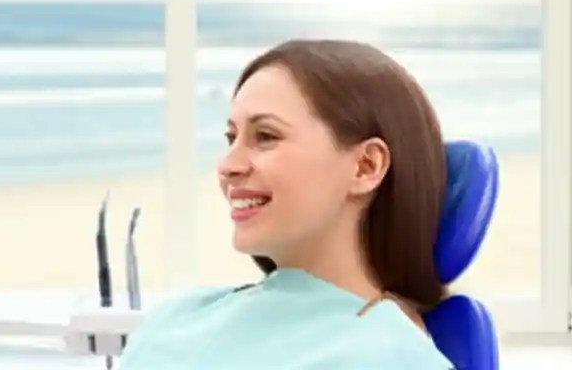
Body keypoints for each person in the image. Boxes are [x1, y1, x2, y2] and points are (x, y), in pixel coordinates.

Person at [118, 39, 454, 369]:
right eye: (232, 138)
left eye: (265, 136)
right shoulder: (178, 316)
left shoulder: (390, 355)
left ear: (366, 166)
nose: (227, 166)